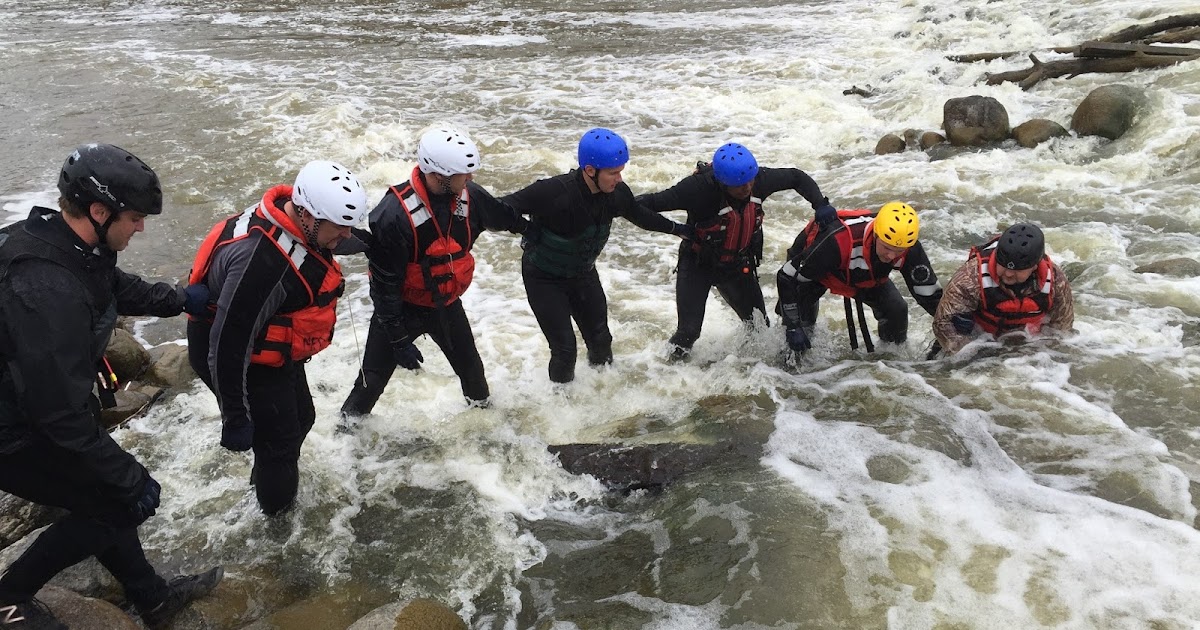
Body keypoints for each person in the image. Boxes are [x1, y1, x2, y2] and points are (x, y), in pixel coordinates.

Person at [0, 143, 222, 629]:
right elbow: (57, 412)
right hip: (12, 430)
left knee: (106, 493)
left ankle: (152, 598)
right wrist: (127, 476)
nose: (141, 227)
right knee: (115, 500)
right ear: (99, 211)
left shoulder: (67, 243)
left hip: (29, 406)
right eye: (135, 217)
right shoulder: (46, 286)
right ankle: (10, 595)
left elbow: (113, 287)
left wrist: (184, 299)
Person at [188, 159, 368, 515]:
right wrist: (235, 416)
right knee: (280, 442)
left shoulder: (297, 222)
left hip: (267, 350)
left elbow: (322, 245)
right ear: (306, 214)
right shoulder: (261, 264)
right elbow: (227, 346)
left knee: (302, 419)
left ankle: (265, 477)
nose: (345, 235)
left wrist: (372, 244)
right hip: (234, 355)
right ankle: (276, 522)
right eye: (340, 227)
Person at [340, 127, 526, 415]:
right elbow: (384, 285)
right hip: (400, 309)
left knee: (473, 374)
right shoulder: (393, 215)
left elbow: (504, 216)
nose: (471, 178)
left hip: (446, 306)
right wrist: (399, 340)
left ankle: (487, 432)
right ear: (439, 175)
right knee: (371, 383)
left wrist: (532, 231)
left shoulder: (470, 195)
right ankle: (346, 439)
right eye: (465, 173)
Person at [502, 127, 693, 383]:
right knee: (565, 350)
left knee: (601, 340)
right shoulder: (553, 192)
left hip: (583, 274)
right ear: (590, 170)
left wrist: (678, 229)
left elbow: (639, 215)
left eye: (621, 171)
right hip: (544, 279)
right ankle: (562, 406)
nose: (619, 179)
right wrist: (525, 228)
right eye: (613, 173)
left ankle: (602, 391)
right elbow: (499, 208)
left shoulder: (617, 194)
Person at [636, 142, 836, 360]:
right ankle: (667, 375)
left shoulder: (758, 180)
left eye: (749, 180)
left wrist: (820, 204)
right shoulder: (696, 189)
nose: (747, 187)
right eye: (739, 185)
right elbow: (643, 205)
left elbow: (797, 177)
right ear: (722, 182)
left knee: (759, 327)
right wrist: (674, 229)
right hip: (697, 266)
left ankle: (751, 370)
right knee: (688, 333)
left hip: (737, 266)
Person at [776, 202, 943, 355]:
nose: (892, 255)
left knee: (897, 310)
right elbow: (786, 277)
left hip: (864, 276)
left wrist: (954, 327)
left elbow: (930, 295)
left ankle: (890, 360)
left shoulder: (908, 247)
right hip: (820, 272)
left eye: (898, 250)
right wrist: (792, 326)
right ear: (876, 235)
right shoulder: (835, 243)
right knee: (798, 337)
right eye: (886, 247)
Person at [933, 222, 1074, 355]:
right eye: (1003, 266)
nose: (1008, 274)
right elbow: (944, 323)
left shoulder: (1056, 280)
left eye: (1018, 270)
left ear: (1034, 266)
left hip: (1029, 344)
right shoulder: (970, 277)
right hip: (977, 341)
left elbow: (1062, 327)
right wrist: (973, 357)